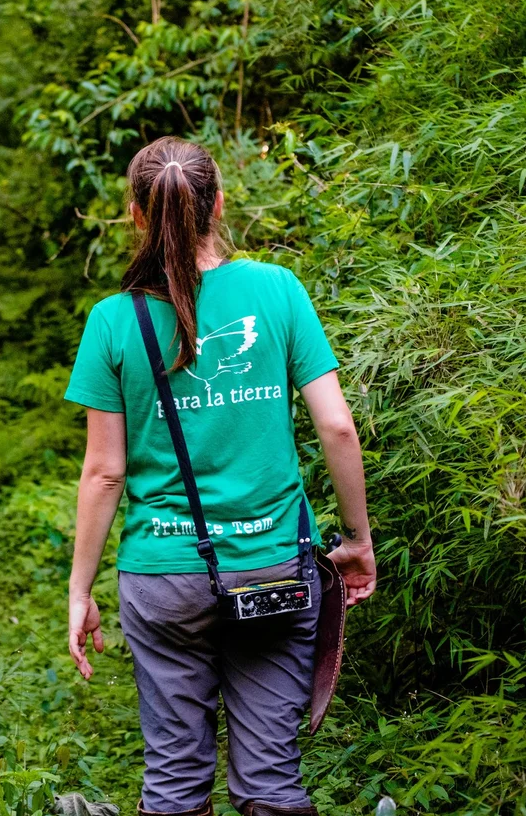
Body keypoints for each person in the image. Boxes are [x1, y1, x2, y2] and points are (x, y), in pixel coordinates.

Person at [63, 137, 377, 816]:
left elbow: (104, 471)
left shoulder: (113, 322)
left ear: (136, 216)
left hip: (165, 574)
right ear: (220, 203)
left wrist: (80, 589)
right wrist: (356, 541)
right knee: (270, 783)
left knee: (175, 784)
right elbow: (337, 427)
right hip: (273, 570)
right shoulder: (276, 290)